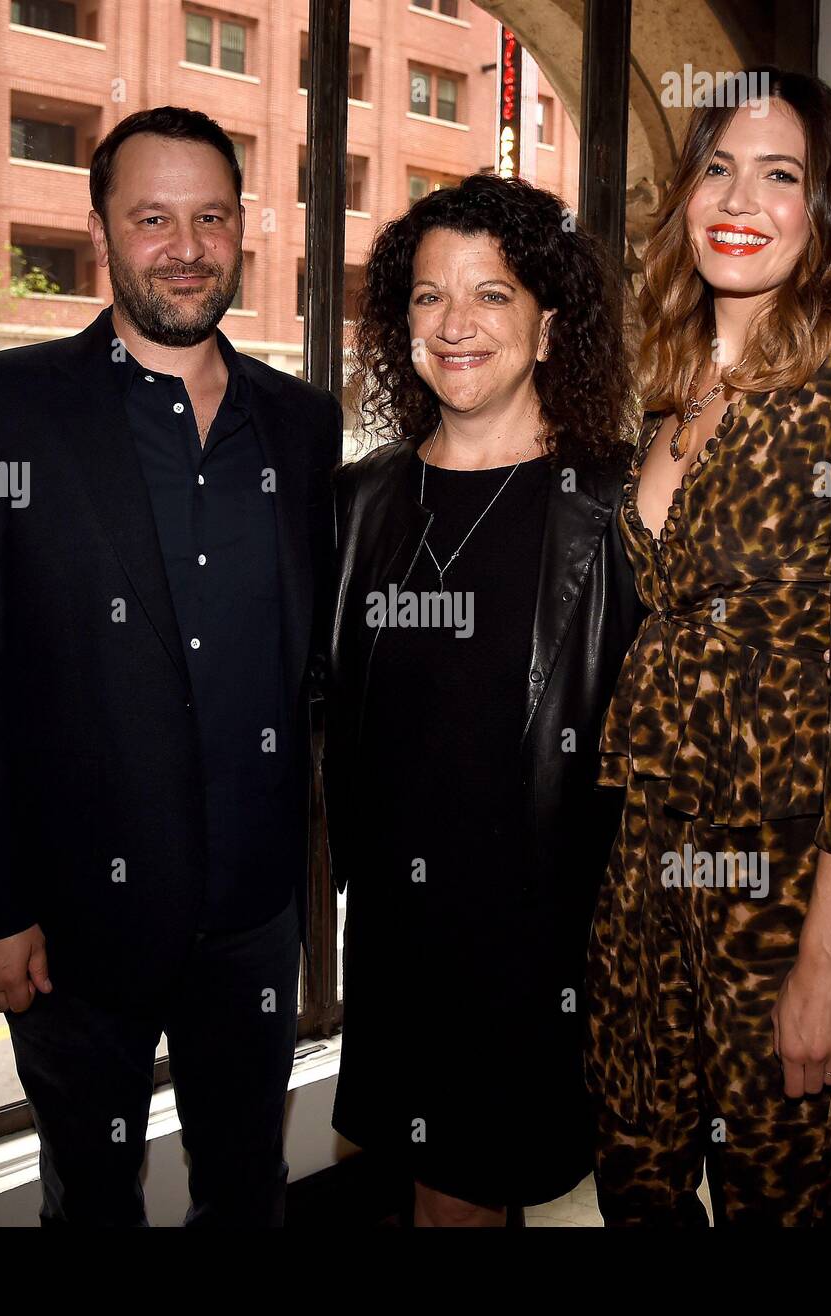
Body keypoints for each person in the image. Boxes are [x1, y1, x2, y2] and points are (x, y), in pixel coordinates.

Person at [0, 106, 339, 1226]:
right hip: (71, 928)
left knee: (248, 1187)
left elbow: (314, 668)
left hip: (253, 916)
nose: (184, 246)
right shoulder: (0, 407)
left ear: (244, 229)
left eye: (209, 217)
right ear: (100, 227)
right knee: (92, 1198)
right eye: (152, 217)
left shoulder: (301, 424)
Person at [585, 67, 831, 1226]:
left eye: (779, 173)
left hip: (789, 882)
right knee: (635, 1191)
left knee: (769, 1210)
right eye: (718, 167)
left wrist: (829, 956)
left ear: (822, 206)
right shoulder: (667, 388)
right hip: (647, 868)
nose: (740, 198)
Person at [325, 174, 641, 1226]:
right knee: (422, 1193)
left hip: (533, 944)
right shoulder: (359, 501)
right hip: (393, 934)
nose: (454, 323)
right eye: (426, 296)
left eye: (491, 294)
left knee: (465, 1199)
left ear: (549, 326)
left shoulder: (615, 508)